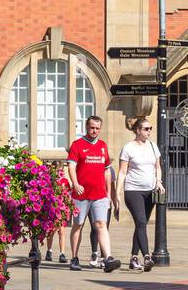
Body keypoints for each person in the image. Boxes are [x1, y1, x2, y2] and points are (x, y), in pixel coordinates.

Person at [67, 115, 121, 273]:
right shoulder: (77, 145)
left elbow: (107, 172)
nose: (94, 131)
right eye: (92, 128)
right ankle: (74, 257)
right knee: (78, 225)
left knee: (101, 225)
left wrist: (108, 193)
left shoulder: (103, 146)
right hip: (81, 194)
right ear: (86, 127)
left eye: (97, 128)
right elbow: (71, 167)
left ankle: (108, 258)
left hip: (99, 194)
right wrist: (75, 184)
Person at [118, 118, 165, 271]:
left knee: (141, 224)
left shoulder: (153, 146)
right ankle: (146, 256)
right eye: (146, 129)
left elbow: (158, 167)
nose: (149, 131)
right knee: (141, 221)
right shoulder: (128, 148)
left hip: (150, 190)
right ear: (137, 130)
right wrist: (118, 193)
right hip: (133, 190)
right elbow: (122, 172)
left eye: (150, 128)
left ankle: (133, 258)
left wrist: (159, 181)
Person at [86, 159, 119, 269]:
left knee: (104, 228)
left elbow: (113, 188)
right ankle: (94, 253)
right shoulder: (91, 166)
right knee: (94, 228)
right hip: (93, 199)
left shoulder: (111, 171)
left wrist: (115, 204)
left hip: (105, 201)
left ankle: (104, 256)